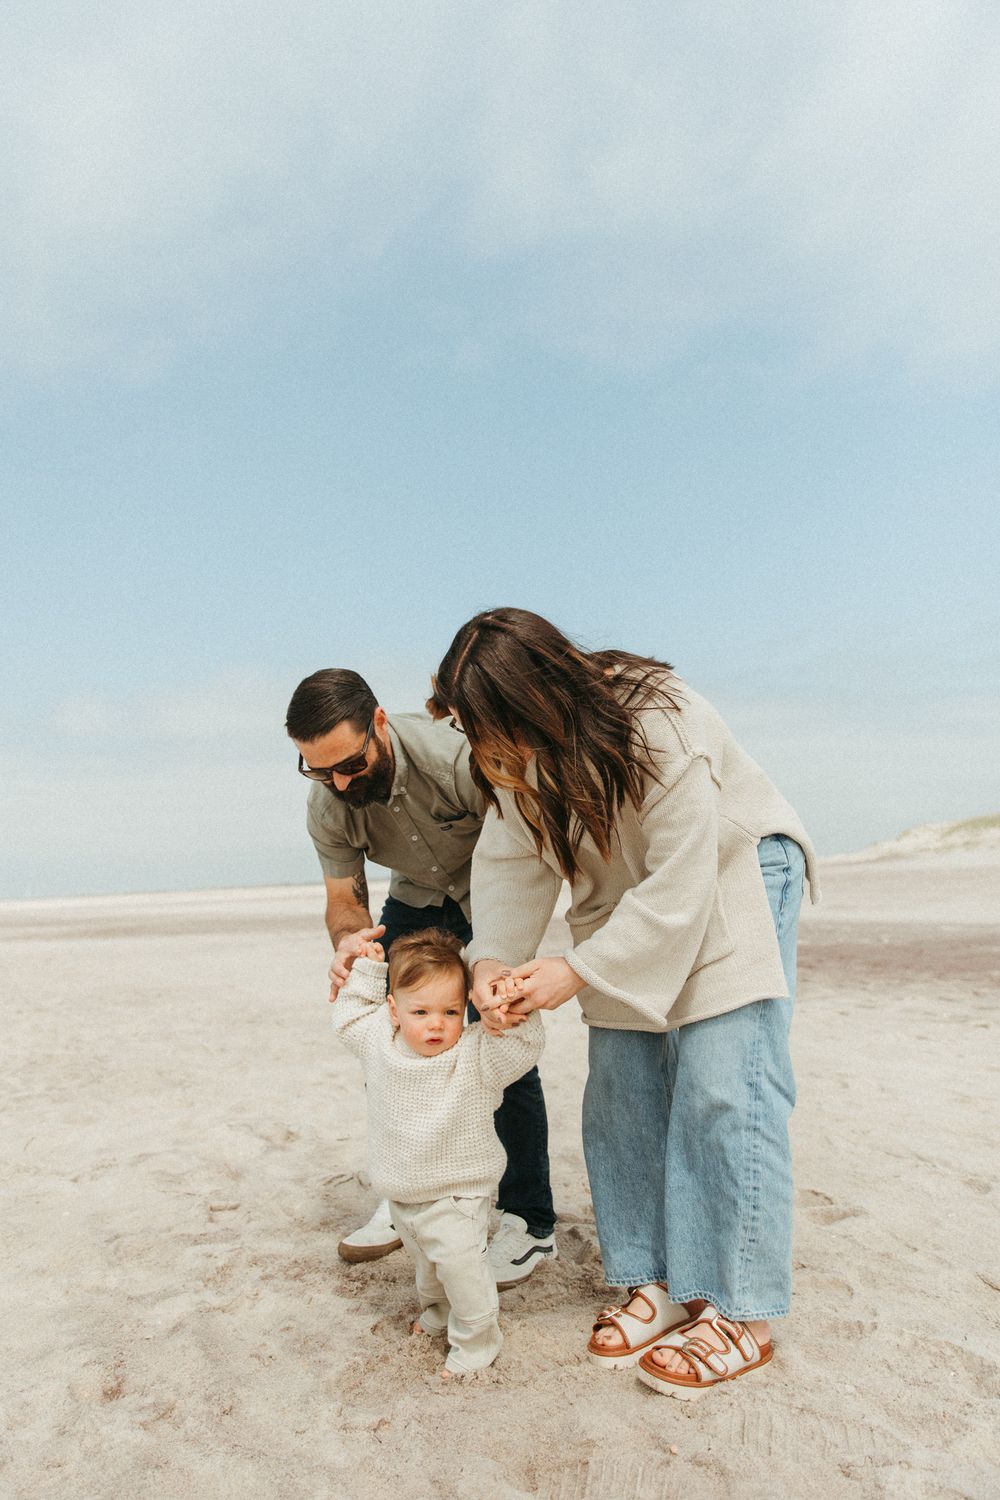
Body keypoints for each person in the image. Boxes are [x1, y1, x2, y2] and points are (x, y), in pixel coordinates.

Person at [430, 608, 819, 1399]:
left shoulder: (660, 715)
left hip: (731, 875)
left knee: (723, 1090)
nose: (486, 753)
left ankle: (741, 1311)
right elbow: (509, 863)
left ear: (536, 698)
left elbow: (682, 879)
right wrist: (493, 964)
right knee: (622, 1093)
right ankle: (662, 1282)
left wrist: (573, 971)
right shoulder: (507, 754)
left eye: (493, 731)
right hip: (623, 906)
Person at [285, 668, 556, 1282]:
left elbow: (521, 848)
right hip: (415, 901)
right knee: (400, 1046)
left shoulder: (455, 756)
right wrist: (350, 942)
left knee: (500, 1043)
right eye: (319, 770)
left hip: (493, 891)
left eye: (349, 764)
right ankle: (409, 1194)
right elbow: (344, 900)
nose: (339, 782)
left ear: (380, 723)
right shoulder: (329, 800)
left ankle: (529, 1221)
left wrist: (492, 952)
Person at [330, 930, 544, 1377]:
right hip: (403, 1198)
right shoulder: (378, 1042)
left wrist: (508, 1004)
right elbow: (349, 1017)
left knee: (464, 1275)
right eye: (421, 1011)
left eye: (450, 1011)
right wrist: (369, 969)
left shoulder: (475, 1054)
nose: (436, 1024)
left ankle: (477, 1340)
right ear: (394, 1010)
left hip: (458, 1198)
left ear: (465, 1006)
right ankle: (437, 1315)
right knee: (428, 1271)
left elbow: (524, 1047)